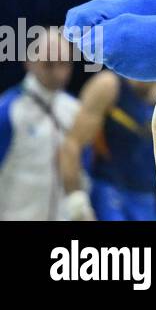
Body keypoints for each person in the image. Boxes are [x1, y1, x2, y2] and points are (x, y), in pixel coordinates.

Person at [0, 26, 94, 220]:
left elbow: (84, 168)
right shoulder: (9, 110)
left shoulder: (75, 110)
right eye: (49, 64)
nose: (58, 73)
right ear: (29, 62)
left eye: (64, 63)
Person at [66, 73, 156, 220]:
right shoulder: (108, 85)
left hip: (145, 194)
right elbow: (73, 143)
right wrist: (75, 196)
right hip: (109, 190)